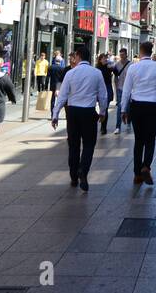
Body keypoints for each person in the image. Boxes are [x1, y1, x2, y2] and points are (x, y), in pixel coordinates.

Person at [51, 44, 109, 192]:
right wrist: (102, 112)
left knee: (74, 145)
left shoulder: (70, 73)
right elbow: (103, 95)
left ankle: (73, 176)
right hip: (89, 112)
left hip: (73, 112)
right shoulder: (96, 73)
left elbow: (62, 95)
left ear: (77, 56)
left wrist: (55, 114)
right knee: (89, 144)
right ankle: (83, 170)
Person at [121, 42, 156, 185]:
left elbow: (126, 91)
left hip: (136, 106)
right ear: (151, 51)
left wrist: (124, 109)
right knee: (150, 139)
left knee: (139, 141)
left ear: (140, 52)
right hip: (152, 107)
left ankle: (137, 174)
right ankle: (146, 166)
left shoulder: (133, 68)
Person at [96, 53, 118, 134]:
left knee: (105, 108)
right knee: (102, 107)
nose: (105, 60)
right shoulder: (97, 68)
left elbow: (117, 73)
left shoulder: (109, 67)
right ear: (100, 59)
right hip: (100, 89)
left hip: (108, 88)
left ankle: (103, 127)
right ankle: (102, 124)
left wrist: (113, 68)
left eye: (106, 58)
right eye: (103, 58)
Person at [113, 48, 132, 134]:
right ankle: (118, 127)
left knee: (128, 107)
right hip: (120, 88)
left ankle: (128, 122)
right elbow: (115, 77)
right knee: (120, 107)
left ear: (126, 54)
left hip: (129, 89)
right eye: (120, 55)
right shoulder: (117, 65)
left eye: (123, 54)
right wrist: (116, 88)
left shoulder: (131, 65)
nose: (121, 56)